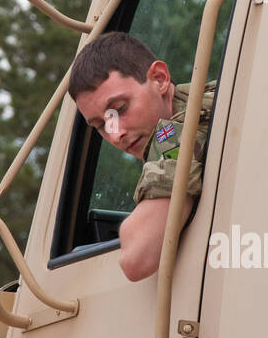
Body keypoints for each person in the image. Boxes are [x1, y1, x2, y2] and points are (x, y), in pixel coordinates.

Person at [68, 32, 214, 282]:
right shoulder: (213, 98)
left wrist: (127, 229)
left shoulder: (179, 131)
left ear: (159, 79)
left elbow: (137, 258)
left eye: (120, 109)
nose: (116, 135)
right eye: (101, 126)